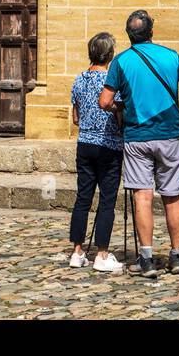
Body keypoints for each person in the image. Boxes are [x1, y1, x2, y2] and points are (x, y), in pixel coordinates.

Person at [100, 8, 179, 278]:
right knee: (172, 196)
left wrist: (119, 108)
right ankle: (177, 256)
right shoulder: (171, 56)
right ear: (151, 32)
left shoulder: (122, 61)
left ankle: (146, 259)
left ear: (128, 34)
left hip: (137, 137)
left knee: (142, 197)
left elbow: (105, 101)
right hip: (168, 135)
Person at [68, 32, 125, 273]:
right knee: (107, 201)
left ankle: (77, 251)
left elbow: (75, 117)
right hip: (109, 146)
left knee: (83, 197)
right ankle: (102, 253)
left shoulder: (79, 80)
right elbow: (119, 113)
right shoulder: (113, 82)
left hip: (85, 145)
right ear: (110, 55)